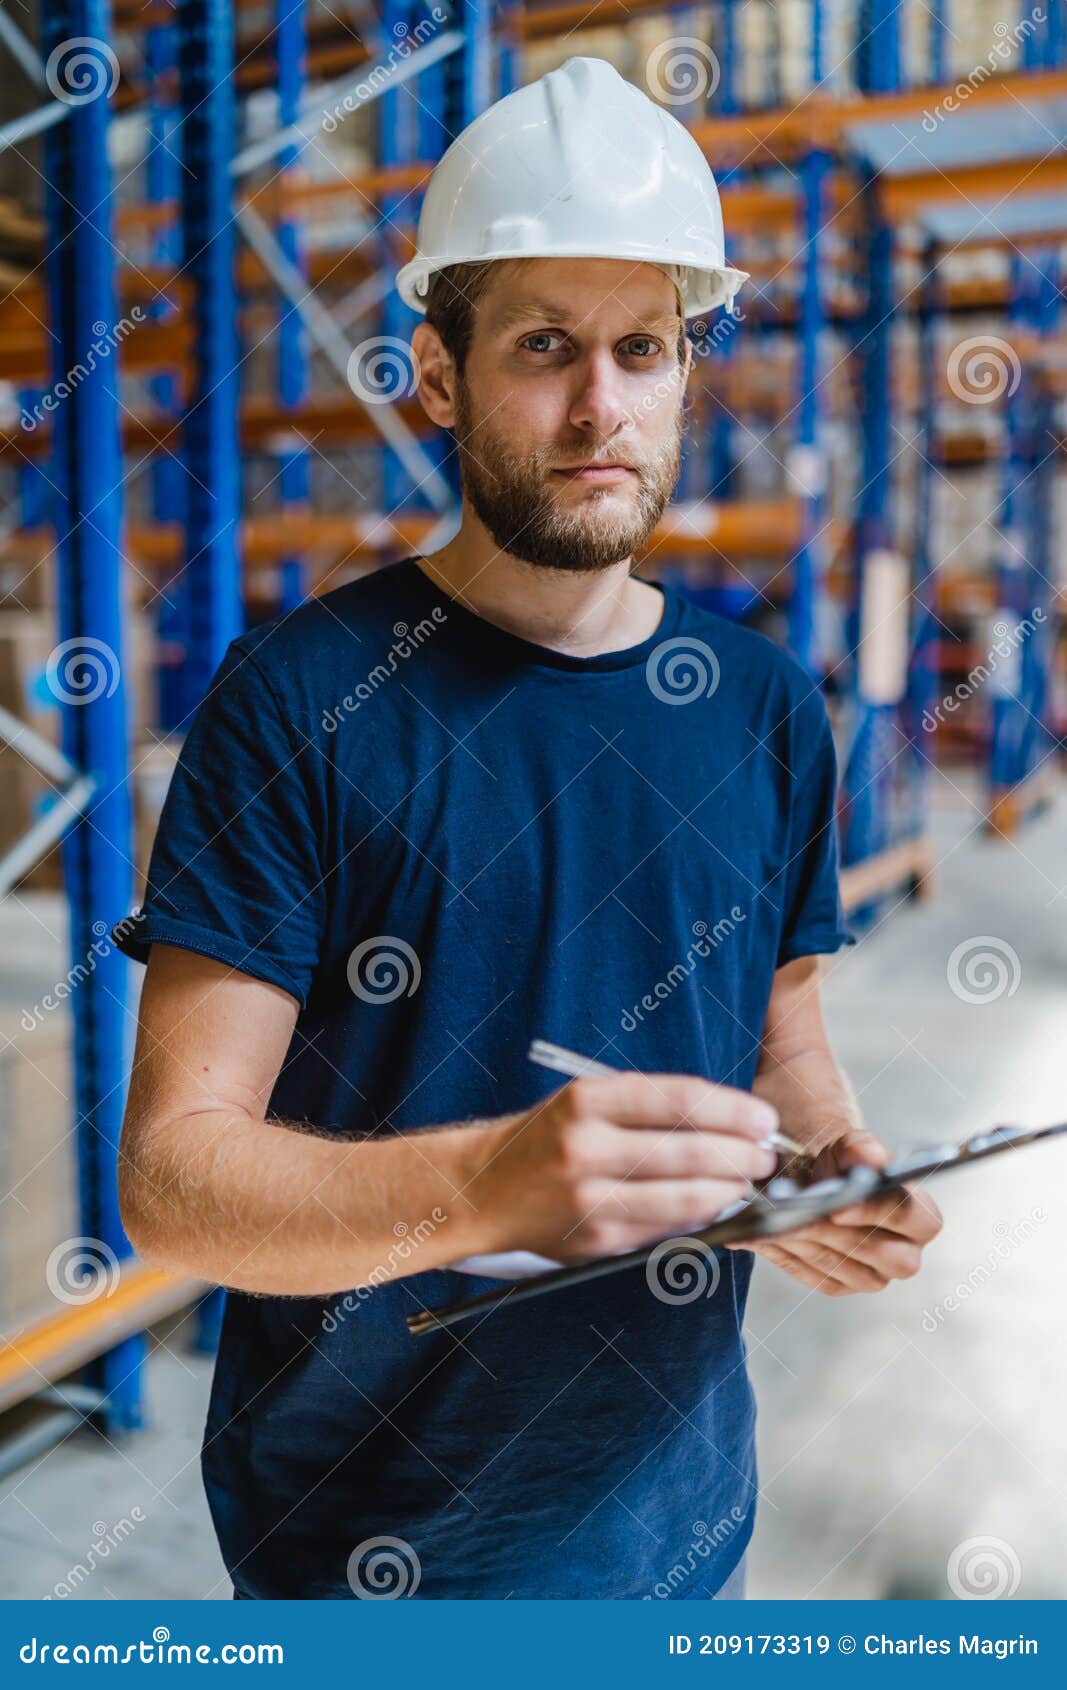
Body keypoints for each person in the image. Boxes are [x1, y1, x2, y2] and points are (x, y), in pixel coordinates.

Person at [113, 56, 941, 1602]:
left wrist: (826, 1171)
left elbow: (779, 1041)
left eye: (642, 348)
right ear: (438, 374)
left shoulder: (764, 706)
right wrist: (494, 1182)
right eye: (545, 346)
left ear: (691, 369)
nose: (599, 407)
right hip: (365, 1555)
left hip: (680, 1530)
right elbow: (173, 1180)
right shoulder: (299, 701)